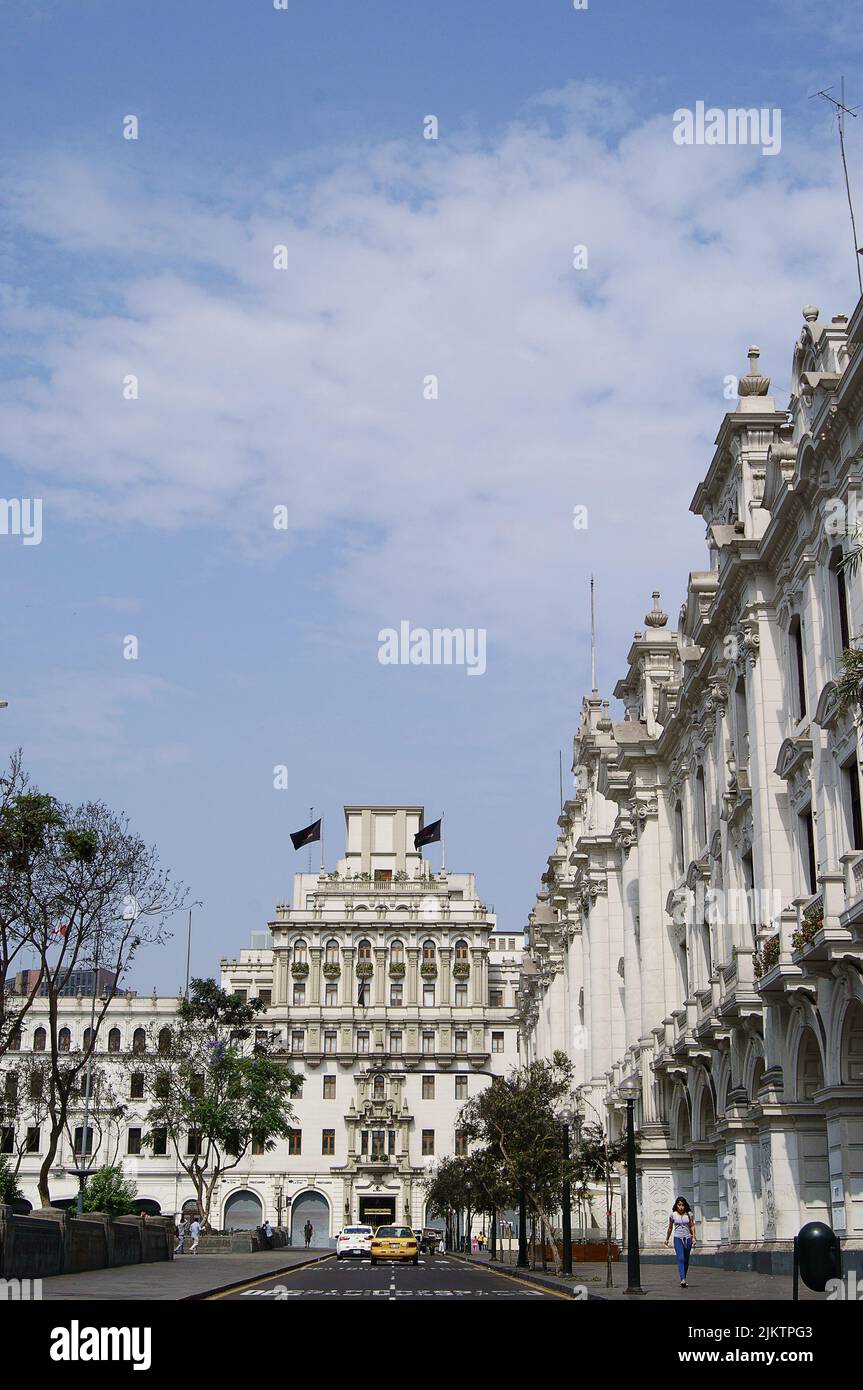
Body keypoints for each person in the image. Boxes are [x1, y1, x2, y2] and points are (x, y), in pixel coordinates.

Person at [664, 1197, 696, 1287]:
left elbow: (692, 1226)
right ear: (676, 1205)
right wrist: (667, 1239)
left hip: (688, 1238)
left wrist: (693, 1237)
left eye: (682, 1205)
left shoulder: (689, 1214)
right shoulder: (673, 1215)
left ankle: (684, 1278)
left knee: (686, 1259)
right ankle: (682, 1279)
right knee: (681, 1258)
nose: (681, 1207)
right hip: (678, 1239)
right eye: (679, 1205)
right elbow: (670, 1228)